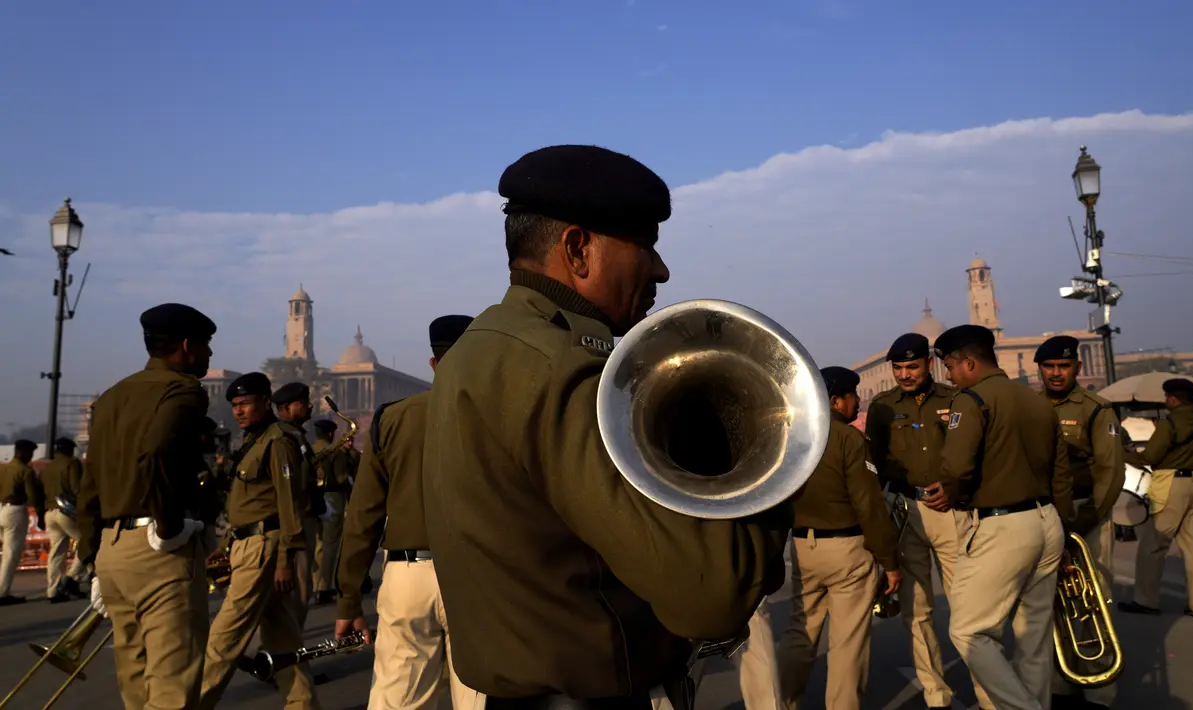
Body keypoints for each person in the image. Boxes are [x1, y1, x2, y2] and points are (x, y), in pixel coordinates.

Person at [422, 144, 792, 710]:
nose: (661, 270)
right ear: (577, 249)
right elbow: (710, 598)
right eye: (645, 245)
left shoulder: (484, 348)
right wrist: (766, 474)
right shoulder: (560, 367)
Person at [336, 313, 482, 710]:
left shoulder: (390, 419)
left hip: (406, 575)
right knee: (480, 700)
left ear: (433, 365)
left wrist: (349, 599)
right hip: (478, 576)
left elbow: (362, 517)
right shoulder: (498, 415)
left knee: (400, 699)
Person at [77, 302, 218, 710]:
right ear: (187, 346)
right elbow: (159, 451)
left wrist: (92, 554)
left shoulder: (112, 397)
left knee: (136, 684)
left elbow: (91, 481)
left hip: (111, 550)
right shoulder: (182, 390)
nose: (209, 356)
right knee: (172, 687)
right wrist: (171, 525)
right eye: (207, 346)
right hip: (158, 549)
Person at [932, 324, 1073, 710]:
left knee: (968, 632)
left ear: (968, 362)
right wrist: (1064, 530)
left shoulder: (971, 400)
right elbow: (1061, 475)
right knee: (1034, 637)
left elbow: (957, 467)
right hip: (1047, 520)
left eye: (949, 365)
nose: (947, 375)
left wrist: (953, 495)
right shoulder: (1038, 402)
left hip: (1003, 525)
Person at [863, 333, 988, 710]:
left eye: (912, 366)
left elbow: (974, 455)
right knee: (917, 612)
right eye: (898, 368)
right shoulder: (883, 407)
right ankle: (937, 695)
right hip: (906, 512)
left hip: (950, 512)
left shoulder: (955, 399)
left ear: (929, 364)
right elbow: (874, 465)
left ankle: (987, 692)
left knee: (968, 608)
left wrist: (955, 489)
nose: (905, 375)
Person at [778, 366, 901, 710]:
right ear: (835, 400)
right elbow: (869, 504)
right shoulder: (849, 438)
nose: (857, 403)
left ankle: (780, 701)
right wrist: (890, 561)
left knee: (800, 634)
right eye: (851, 396)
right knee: (848, 644)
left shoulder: (793, 435)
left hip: (803, 545)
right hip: (846, 549)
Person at [198, 372, 321, 710]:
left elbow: (288, 506)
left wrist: (284, 561)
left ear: (266, 402)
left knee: (224, 638)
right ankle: (302, 704)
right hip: (247, 544)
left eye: (245, 404)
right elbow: (244, 503)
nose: (239, 411)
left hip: (264, 548)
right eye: (235, 406)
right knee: (283, 639)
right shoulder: (252, 440)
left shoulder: (277, 441)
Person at [1034, 336, 1125, 709]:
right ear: (1039, 369)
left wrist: (1081, 523)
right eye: (1050, 366)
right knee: (1049, 606)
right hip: (1044, 518)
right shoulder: (1030, 408)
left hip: (1086, 516)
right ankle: (1060, 687)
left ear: (1078, 368)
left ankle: (1099, 691)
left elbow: (1110, 472)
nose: (1056, 373)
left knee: (1091, 601)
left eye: (1064, 366)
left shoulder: (1095, 409)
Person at [1119, 377, 1193, 620]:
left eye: (1167, 397)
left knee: (1153, 545)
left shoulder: (1170, 424)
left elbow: (1152, 455)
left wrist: (1125, 455)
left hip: (1169, 483)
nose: (1165, 401)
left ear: (1174, 399)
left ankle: (1146, 600)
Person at [271, 381, 324, 616]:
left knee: (302, 590)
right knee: (299, 593)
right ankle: (288, 648)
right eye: (302, 402)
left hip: (304, 516)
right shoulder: (285, 439)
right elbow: (289, 491)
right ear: (286, 408)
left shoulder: (296, 436)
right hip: (297, 522)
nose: (310, 405)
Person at [41, 437, 91, 602]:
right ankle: (71, 577)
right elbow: (77, 489)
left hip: (50, 512)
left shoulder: (48, 468)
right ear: (69, 450)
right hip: (67, 512)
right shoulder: (72, 463)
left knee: (57, 552)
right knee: (88, 543)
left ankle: (53, 590)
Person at [0, 438, 45, 606]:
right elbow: (33, 497)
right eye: (30, 453)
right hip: (15, 511)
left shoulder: (3, 468)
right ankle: (2, 592)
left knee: (4, 552)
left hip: (1, 508)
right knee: (11, 554)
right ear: (24, 452)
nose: (31, 457)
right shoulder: (25, 471)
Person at [312, 418, 350, 605]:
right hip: (332, 497)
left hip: (314, 497)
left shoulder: (310, 448)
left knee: (318, 543)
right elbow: (342, 478)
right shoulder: (336, 451)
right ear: (330, 433)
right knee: (331, 544)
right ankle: (324, 587)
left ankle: (315, 584)